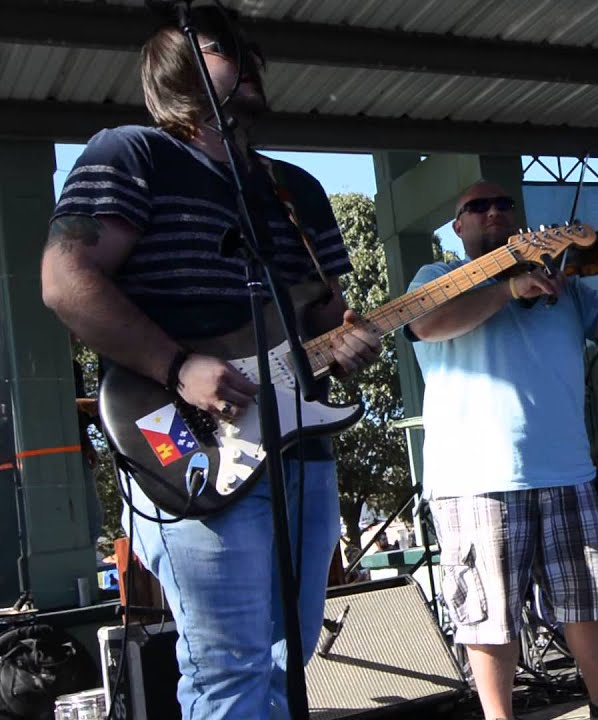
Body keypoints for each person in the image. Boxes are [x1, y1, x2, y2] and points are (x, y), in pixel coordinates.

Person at [40, 8, 380, 719]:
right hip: (177, 431)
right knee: (227, 669)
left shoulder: (294, 189)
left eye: (250, 48)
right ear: (174, 66)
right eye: (226, 46)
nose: (249, 58)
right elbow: (66, 281)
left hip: (301, 451)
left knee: (290, 658)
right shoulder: (131, 153)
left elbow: (324, 318)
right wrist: (176, 366)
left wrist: (349, 341)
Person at [405, 181, 598, 720]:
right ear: (458, 227)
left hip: (566, 467)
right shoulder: (437, 276)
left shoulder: (560, 282)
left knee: (588, 596)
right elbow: (426, 324)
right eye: (478, 207)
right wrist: (507, 289)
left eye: (504, 204)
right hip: (475, 477)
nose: (494, 212)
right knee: (489, 614)